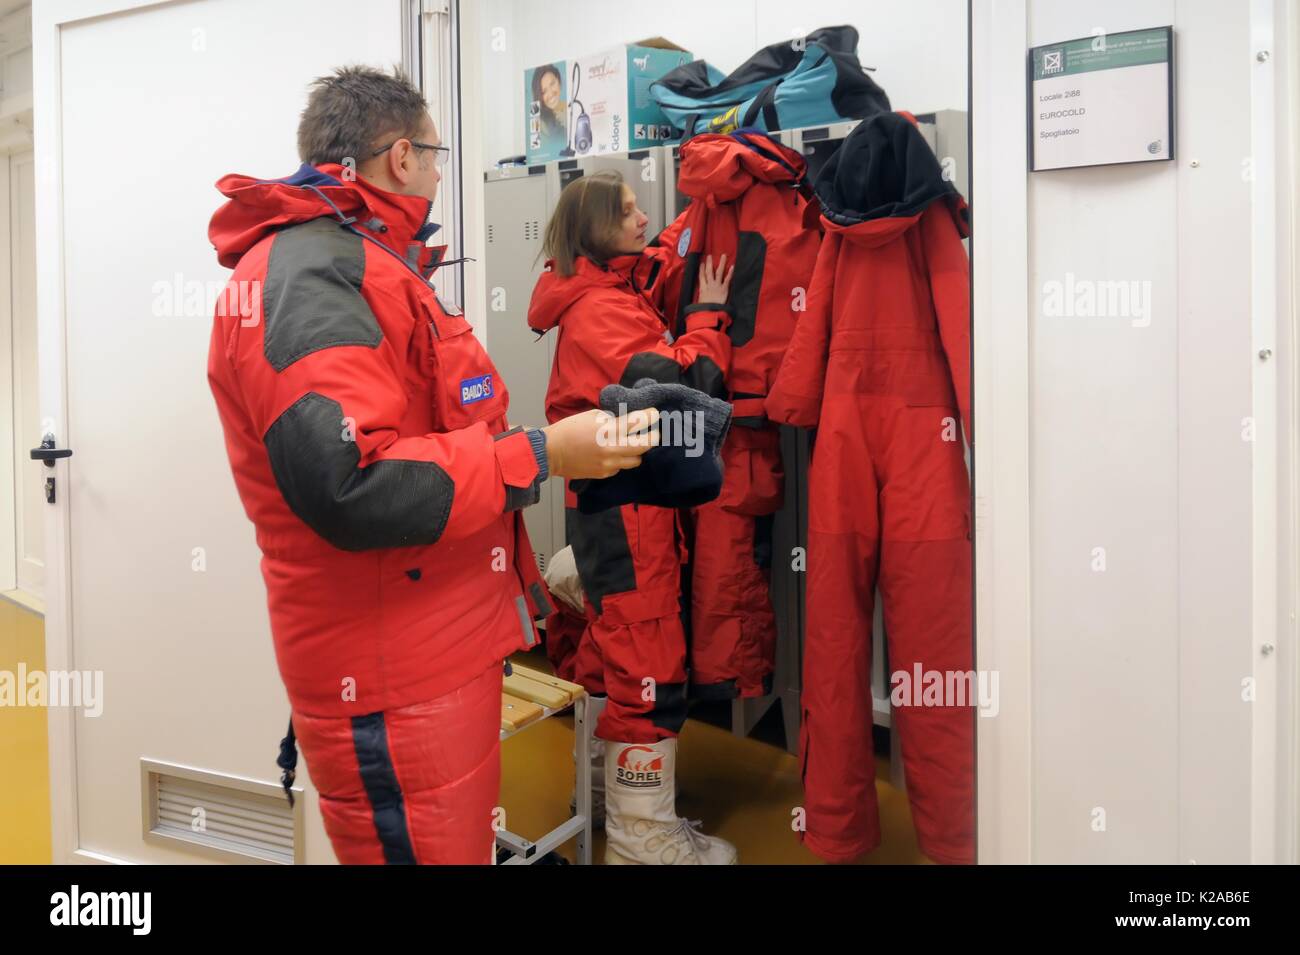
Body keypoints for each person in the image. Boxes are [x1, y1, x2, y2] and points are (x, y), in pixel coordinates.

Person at [206, 65, 654, 865]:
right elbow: (351, 484)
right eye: (439, 155)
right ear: (403, 156)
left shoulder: (375, 263)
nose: (444, 173)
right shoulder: (310, 276)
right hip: (390, 682)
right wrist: (542, 451)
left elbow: (433, 424)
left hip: (435, 658)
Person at [527, 170, 738, 864]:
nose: (644, 219)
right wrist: (708, 317)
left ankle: (603, 802)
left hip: (611, 510)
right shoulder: (601, 311)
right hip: (628, 511)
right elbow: (683, 388)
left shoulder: (602, 290)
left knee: (610, 654)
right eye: (628, 213)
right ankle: (641, 842)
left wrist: (699, 214)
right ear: (597, 231)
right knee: (648, 663)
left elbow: (654, 260)